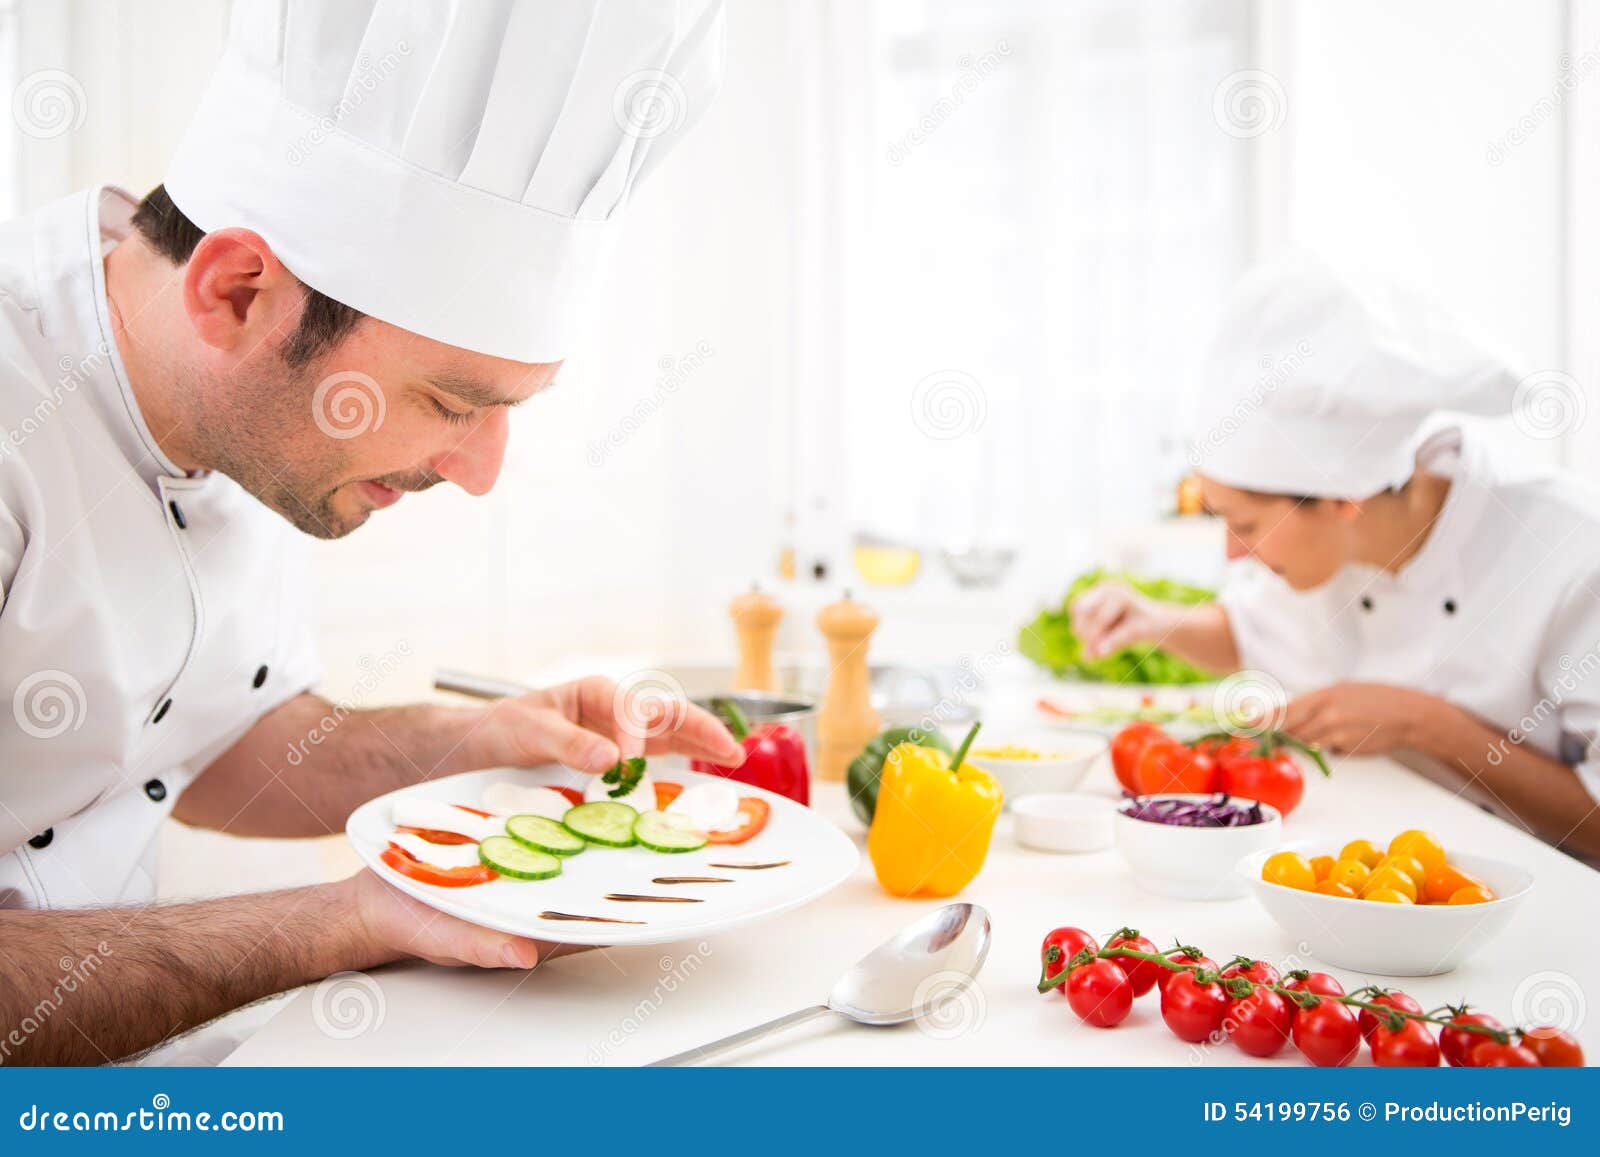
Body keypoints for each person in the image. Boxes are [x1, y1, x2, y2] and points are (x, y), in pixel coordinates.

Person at [0, 0, 742, 1065]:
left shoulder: (257, 421)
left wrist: (476, 741)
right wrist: (347, 919)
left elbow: (209, 746)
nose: (481, 473)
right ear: (239, 290)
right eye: (450, 402)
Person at [1071, 256, 1600, 859]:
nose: (1230, 552)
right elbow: (1255, 630)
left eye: (1244, 525)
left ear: (1343, 501)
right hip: (1382, 856)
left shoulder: (1573, 553)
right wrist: (1152, 619)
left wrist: (1426, 724)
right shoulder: (1336, 535)